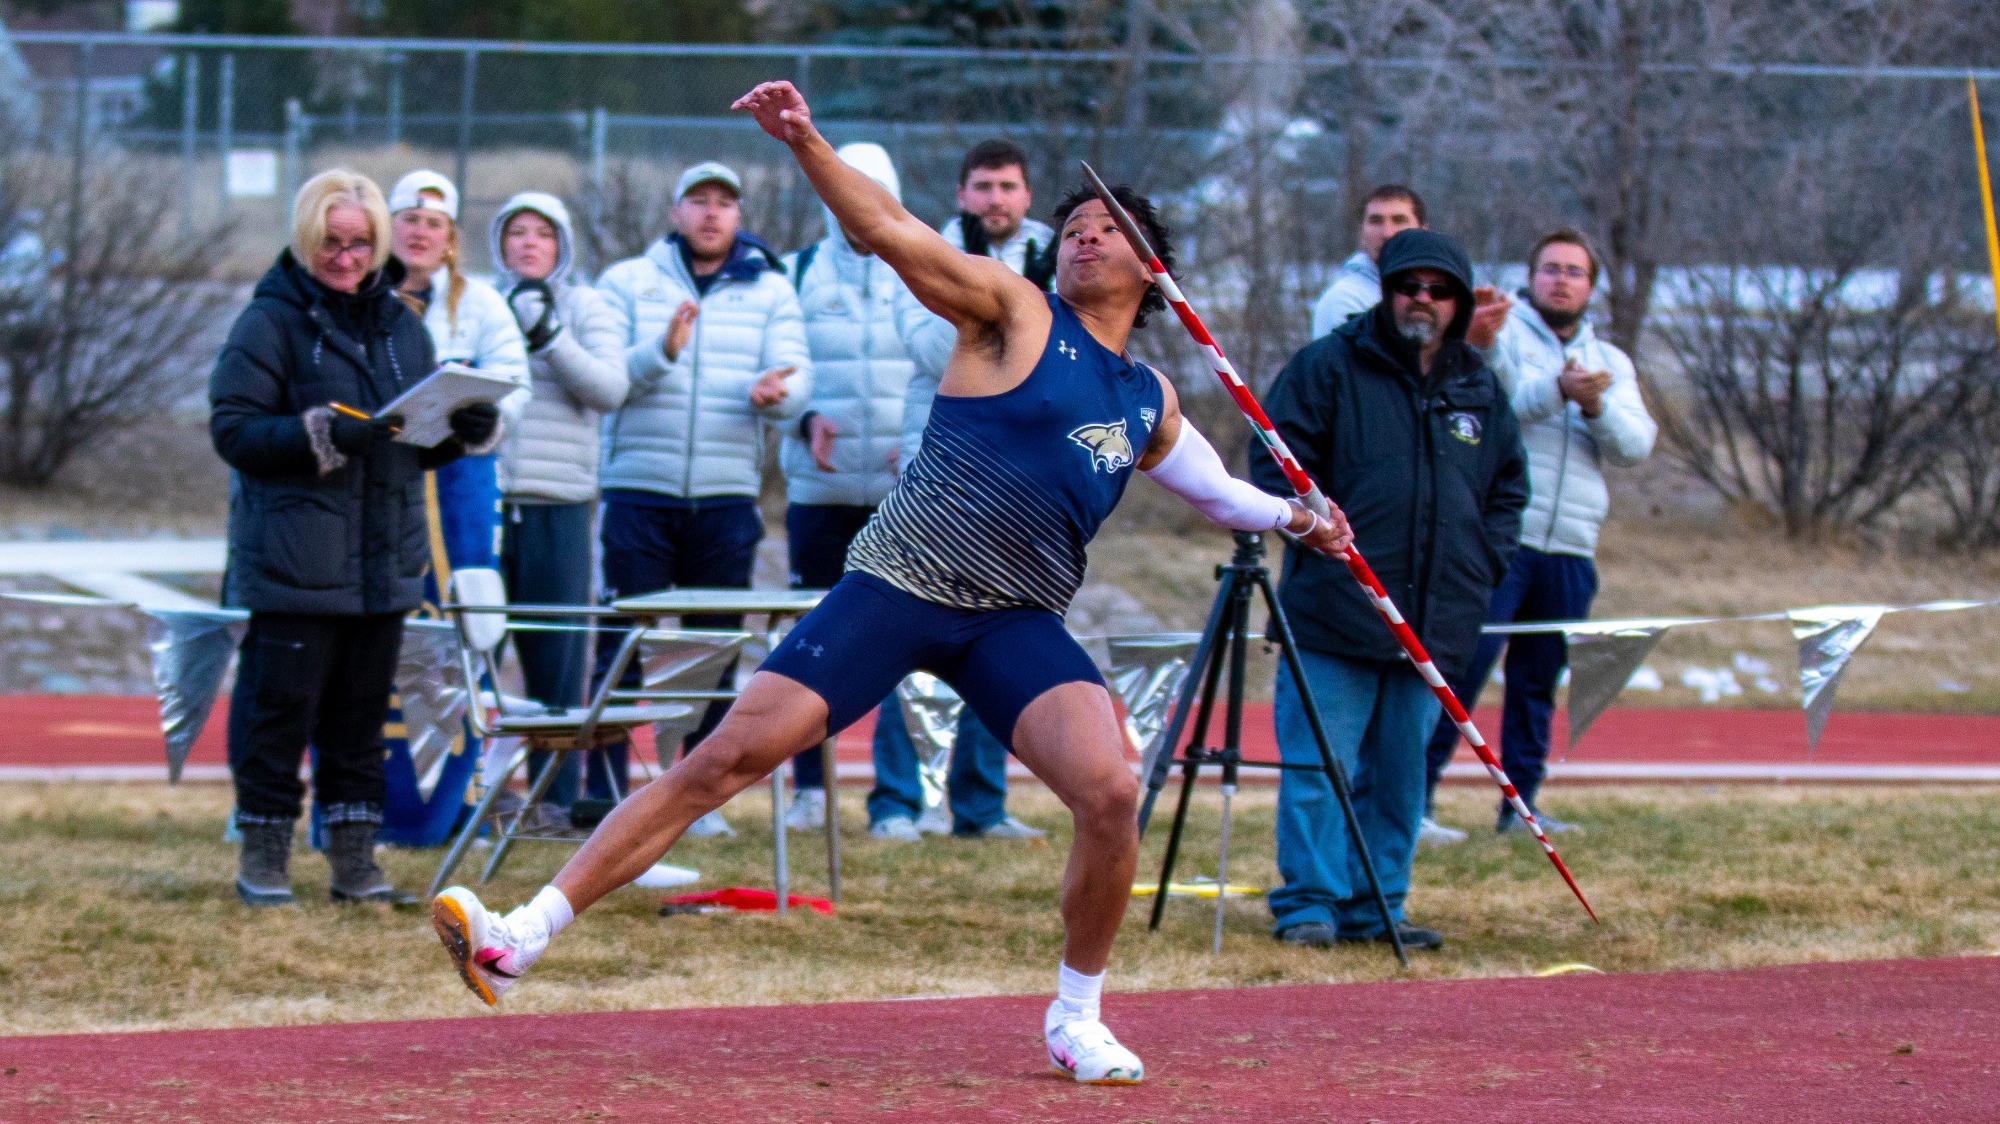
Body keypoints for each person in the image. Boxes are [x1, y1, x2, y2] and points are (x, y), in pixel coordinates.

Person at [431, 80, 1354, 1087]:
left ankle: (1075, 1014)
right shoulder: (1009, 310)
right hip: (899, 581)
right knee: (727, 756)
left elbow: (1217, 491)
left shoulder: (1147, 396)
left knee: (1109, 788)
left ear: (1153, 268)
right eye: (1073, 227)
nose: (1082, 239)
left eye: (1106, 231)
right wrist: (804, 142)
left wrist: (1304, 517)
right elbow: (884, 227)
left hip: (1013, 617)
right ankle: (518, 933)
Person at [210, 169, 499, 907]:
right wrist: (322, 433)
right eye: (332, 244)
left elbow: (412, 436)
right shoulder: (269, 322)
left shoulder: (404, 327)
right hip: (296, 557)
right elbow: (234, 430)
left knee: (362, 718)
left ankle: (354, 861)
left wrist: (460, 430)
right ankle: (266, 857)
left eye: (359, 244)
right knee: (280, 713)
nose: (345, 258)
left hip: (382, 555)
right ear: (307, 240)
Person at [1252, 228, 1527, 952]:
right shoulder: (1327, 368)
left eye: (1440, 291)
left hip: (1434, 621)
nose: (1423, 301)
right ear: (1387, 291)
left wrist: (1485, 564)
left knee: (1402, 778)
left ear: (1460, 303)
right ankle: (1309, 903)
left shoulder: (1479, 386)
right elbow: (1271, 463)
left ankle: (1381, 905)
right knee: (1320, 766)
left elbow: (1508, 488)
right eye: (1411, 286)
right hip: (1334, 613)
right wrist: (1312, 530)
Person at [593, 160, 812, 834]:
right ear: (675, 213)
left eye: (724, 202)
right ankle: (601, 793)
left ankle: (700, 800)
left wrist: (781, 397)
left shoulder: (771, 289)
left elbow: (799, 375)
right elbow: (607, 381)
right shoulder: (627, 282)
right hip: (637, 490)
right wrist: (659, 351)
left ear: (739, 217)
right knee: (620, 644)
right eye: (698, 200)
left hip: (724, 497)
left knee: (713, 648)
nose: (711, 213)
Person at [1424, 228, 1657, 834]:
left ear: (1591, 287)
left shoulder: (1613, 363)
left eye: (1574, 271)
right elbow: (1489, 405)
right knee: (1462, 671)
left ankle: (1520, 808)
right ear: (1533, 278)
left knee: (1538, 683)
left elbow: (1637, 446)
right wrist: (1556, 389)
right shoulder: (1502, 335)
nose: (1561, 279)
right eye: (1550, 268)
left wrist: (1595, 405)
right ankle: (1415, 801)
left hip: (1572, 545)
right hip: (1502, 538)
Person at [875, 138, 1059, 842]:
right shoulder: (923, 251)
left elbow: (1080, 353)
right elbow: (926, 347)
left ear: (1026, 194)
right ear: (961, 195)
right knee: (902, 634)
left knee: (1001, 642)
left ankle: (981, 807)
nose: (995, 200)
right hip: (938, 476)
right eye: (982, 186)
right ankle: (895, 802)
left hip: (1024, 479)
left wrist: (1014, 311)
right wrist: (1019, 312)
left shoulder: (1056, 256)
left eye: (1008, 186)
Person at [774, 142, 916, 833]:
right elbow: (778, 369)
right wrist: (803, 418)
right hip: (819, 494)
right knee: (814, 643)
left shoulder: (922, 268)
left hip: (905, 499)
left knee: (912, 642)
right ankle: (810, 789)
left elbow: (954, 369)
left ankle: (902, 798)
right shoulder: (795, 271)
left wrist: (922, 440)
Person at [490, 191, 631, 820]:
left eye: (542, 234)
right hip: (490, 503)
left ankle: (555, 799)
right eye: (516, 232)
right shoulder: (482, 305)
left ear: (561, 245)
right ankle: (471, 798)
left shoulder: (587, 305)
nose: (528, 243)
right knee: (473, 656)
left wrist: (550, 336)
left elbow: (609, 387)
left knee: (557, 659)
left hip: (561, 502)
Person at [386, 171, 530, 576]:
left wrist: (490, 420)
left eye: (434, 224)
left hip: (461, 475)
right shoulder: (366, 299)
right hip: (385, 470)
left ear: (449, 238)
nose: (420, 233)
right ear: (388, 227)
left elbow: (515, 378)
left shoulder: (479, 302)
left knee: (465, 591)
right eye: (410, 219)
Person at [1308, 185, 1426, 339]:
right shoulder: (1345, 301)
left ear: (1423, 232)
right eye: (1376, 221)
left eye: (1399, 221)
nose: (1387, 233)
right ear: (1362, 233)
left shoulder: (1439, 293)